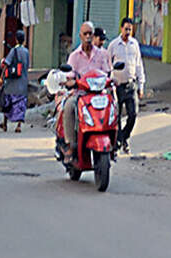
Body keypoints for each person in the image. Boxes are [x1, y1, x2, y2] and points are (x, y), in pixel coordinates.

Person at [60, 21, 112, 162]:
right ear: (80, 36)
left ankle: (115, 140)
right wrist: (70, 81)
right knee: (69, 106)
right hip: (81, 95)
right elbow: (69, 75)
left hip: (98, 94)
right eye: (85, 34)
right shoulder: (74, 56)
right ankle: (70, 144)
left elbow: (107, 73)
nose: (88, 36)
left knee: (113, 106)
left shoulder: (101, 54)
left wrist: (112, 81)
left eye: (91, 33)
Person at [108, 17, 144, 153]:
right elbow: (107, 64)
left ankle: (124, 137)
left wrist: (141, 85)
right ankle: (117, 142)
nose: (128, 32)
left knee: (133, 114)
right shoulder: (113, 45)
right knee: (116, 116)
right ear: (121, 29)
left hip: (130, 85)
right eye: (126, 29)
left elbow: (139, 65)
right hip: (117, 86)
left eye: (130, 29)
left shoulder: (134, 44)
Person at [0, 30, 30, 132]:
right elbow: (27, 66)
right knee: (21, 104)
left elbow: (6, 64)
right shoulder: (26, 52)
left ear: (16, 39)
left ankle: (5, 123)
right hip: (23, 81)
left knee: (8, 102)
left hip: (12, 81)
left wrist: (1, 77)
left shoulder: (13, 51)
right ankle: (19, 126)